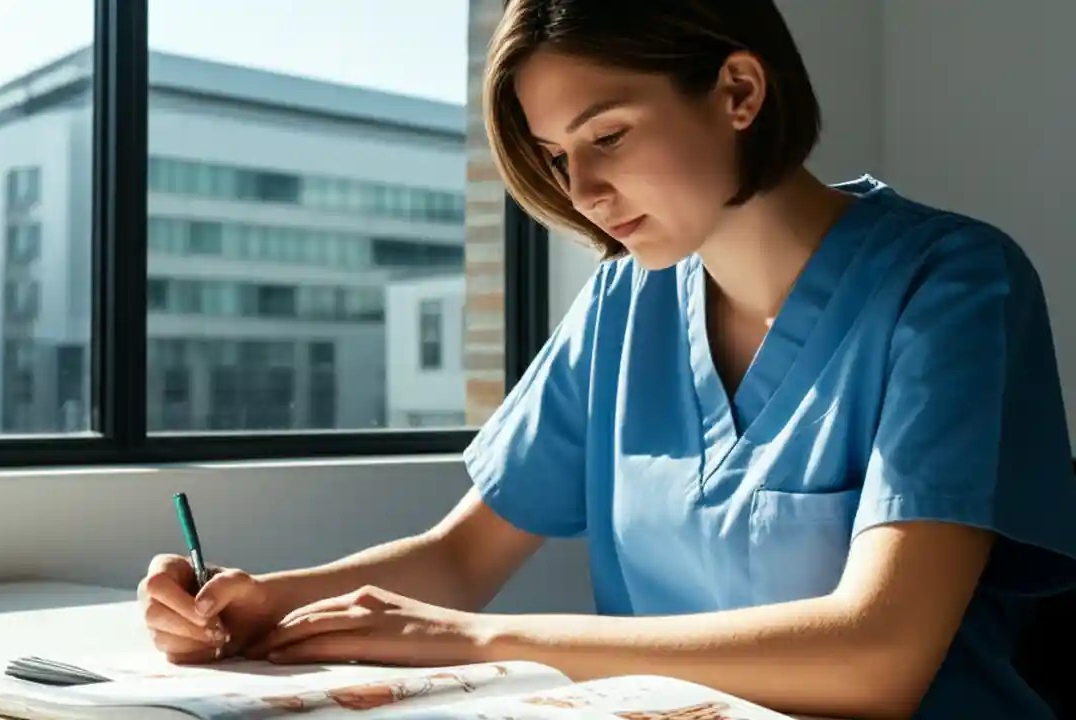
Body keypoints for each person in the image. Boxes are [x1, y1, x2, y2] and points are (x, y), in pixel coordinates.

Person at [137, 1, 1076, 717]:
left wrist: (476, 642)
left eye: (608, 136)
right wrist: (260, 605)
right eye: (553, 156)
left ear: (740, 91)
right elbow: (461, 557)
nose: (581, 191)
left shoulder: (954, 287)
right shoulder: (629, 298)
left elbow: (879, 654)